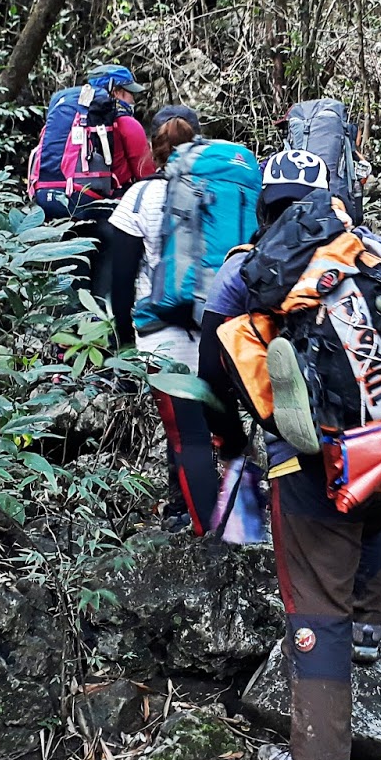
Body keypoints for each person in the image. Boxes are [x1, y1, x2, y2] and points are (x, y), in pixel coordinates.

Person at [202, 150, 381, 760]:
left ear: (265, 202)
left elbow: (214, 364)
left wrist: (231, 443)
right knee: (377, 507)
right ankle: (370, 630)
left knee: (314, 592)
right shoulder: (374, 249)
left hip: (309, 458)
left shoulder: (248, 268)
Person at [108, 106, 250, 534]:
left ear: (153, 147)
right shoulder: (227, 189)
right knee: (228, 429)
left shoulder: (139, 197)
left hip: (164, 334)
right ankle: (244, 526)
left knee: (186, 437)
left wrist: (124, 348)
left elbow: (119, 284)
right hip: (224, 328)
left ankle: (206, 536)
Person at [31, 64, 154, 305]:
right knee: (105, 262)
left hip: (52, 202)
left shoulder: (63, 121)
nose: (132, 98)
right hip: (97, 205)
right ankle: (99, 330)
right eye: (129, 92)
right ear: (116, 92)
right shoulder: (125, 123)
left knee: (70, 263)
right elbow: (145, 173)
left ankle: (66, 335)